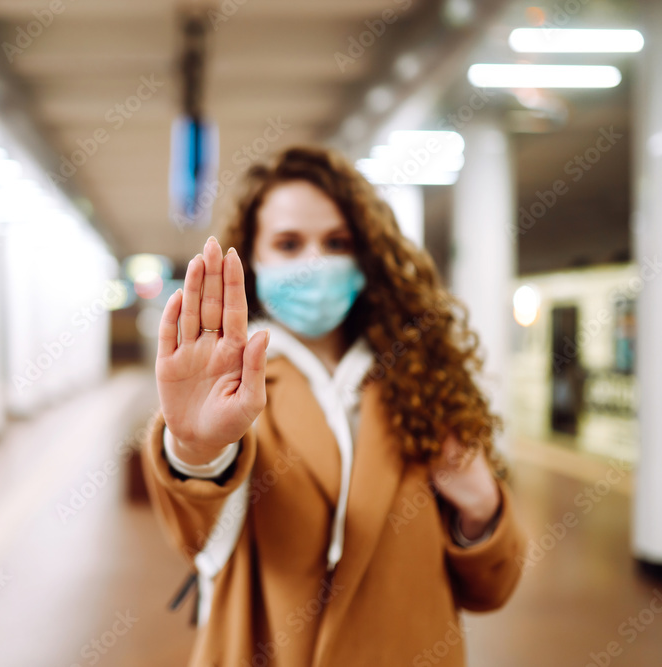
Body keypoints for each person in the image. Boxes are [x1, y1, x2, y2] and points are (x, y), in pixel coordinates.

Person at [141, 146, 526, 666]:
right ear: (254, 259)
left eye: (336, 242)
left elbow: (492, 588)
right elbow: (195, 537)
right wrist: (195, 447)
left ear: (365, 258)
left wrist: (481, 509)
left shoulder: (424, 377)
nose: (315, 262)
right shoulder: (230, 380)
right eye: (288, 243)